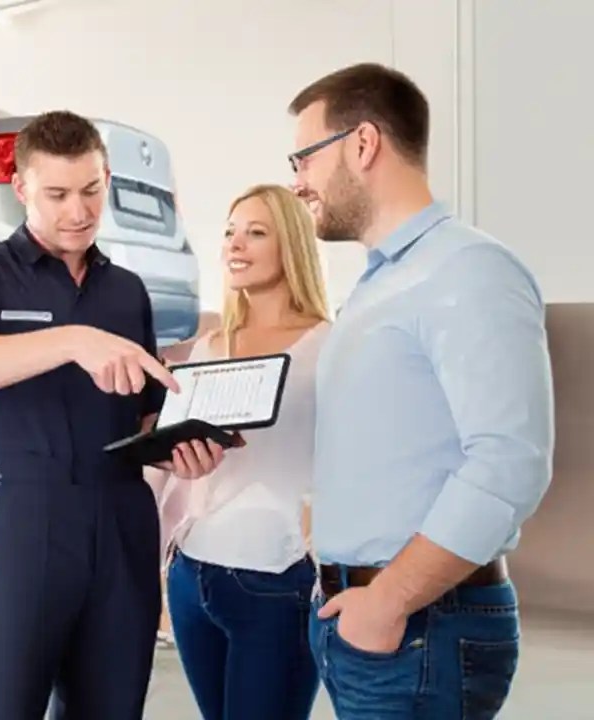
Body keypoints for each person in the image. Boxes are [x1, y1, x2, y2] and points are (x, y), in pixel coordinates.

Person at [0, 110, 220, 719]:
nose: (77, 211)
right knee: (2, 706)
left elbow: (141, 421)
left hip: (121, 515)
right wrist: (72, 340)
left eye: (91, 190)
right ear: (21, 188)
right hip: (24, 515)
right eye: (56, 194)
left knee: (110, 707)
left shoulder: (127, 291)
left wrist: (179, 451)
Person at [286, 62, 555, 718]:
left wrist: (389, 600)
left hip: (421, 625)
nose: (297, 183)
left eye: (303, 158)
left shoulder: (466, 267)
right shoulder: (380, 285)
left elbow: (509, 461)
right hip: (371, 619)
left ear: (363, 143)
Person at [155, 183, 331, 720]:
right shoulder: (210, 346)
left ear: (293, 246)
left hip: (275, 577)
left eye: (256, 232)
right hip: (192, 576)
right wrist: (172, 456)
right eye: (230, 231)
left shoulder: (329, 344)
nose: (236, 244)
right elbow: (174, 465)